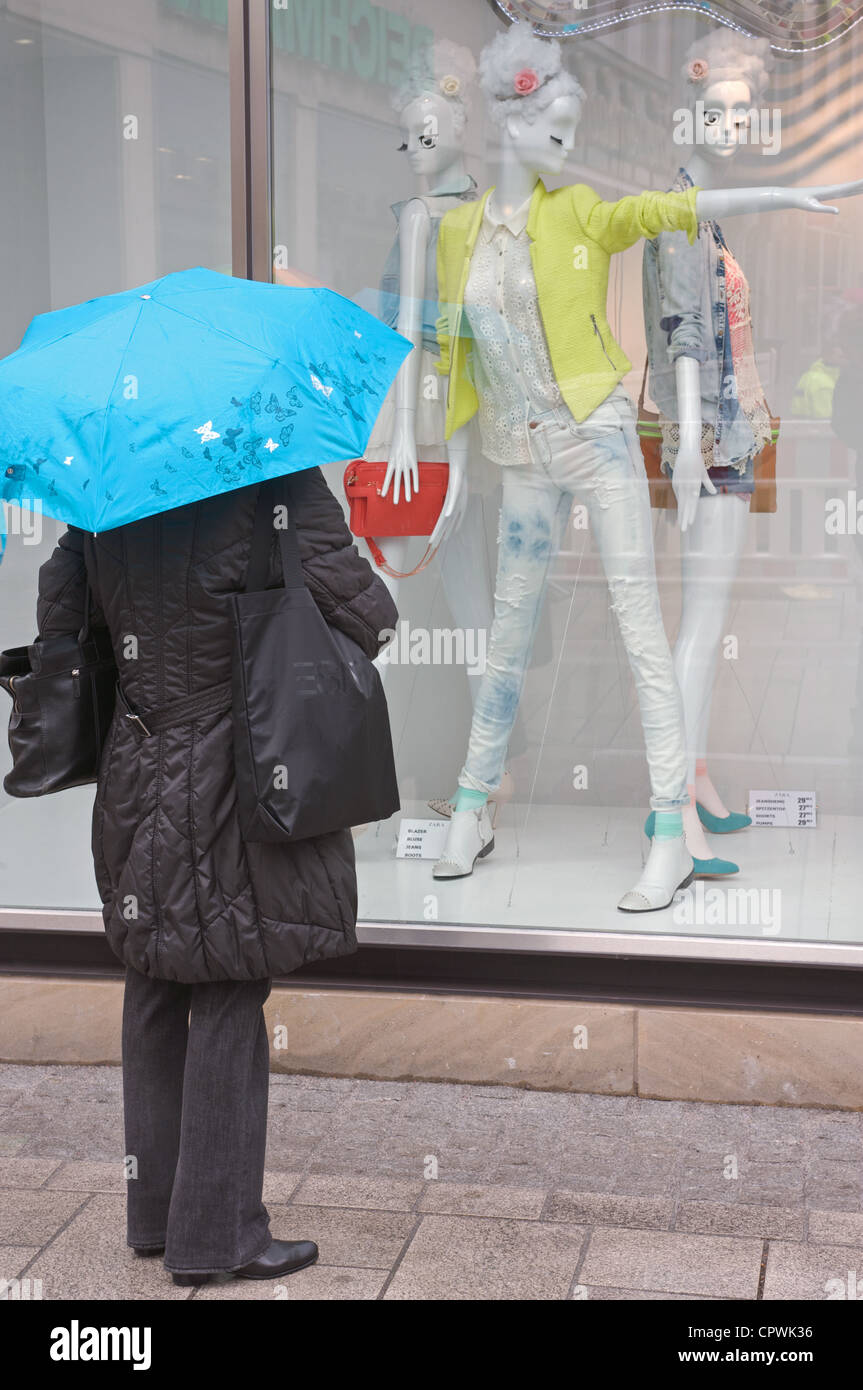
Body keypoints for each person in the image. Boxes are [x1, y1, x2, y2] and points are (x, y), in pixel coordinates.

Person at [35, 466, 397, 1286]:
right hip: (240, 764)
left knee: (155, 977)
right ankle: (220, 1234)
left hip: (139, 759)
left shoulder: (103, 487)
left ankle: (155, 1215)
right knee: (231, 980)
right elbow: (368, 615)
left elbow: (63, 619)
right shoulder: (273, 476)